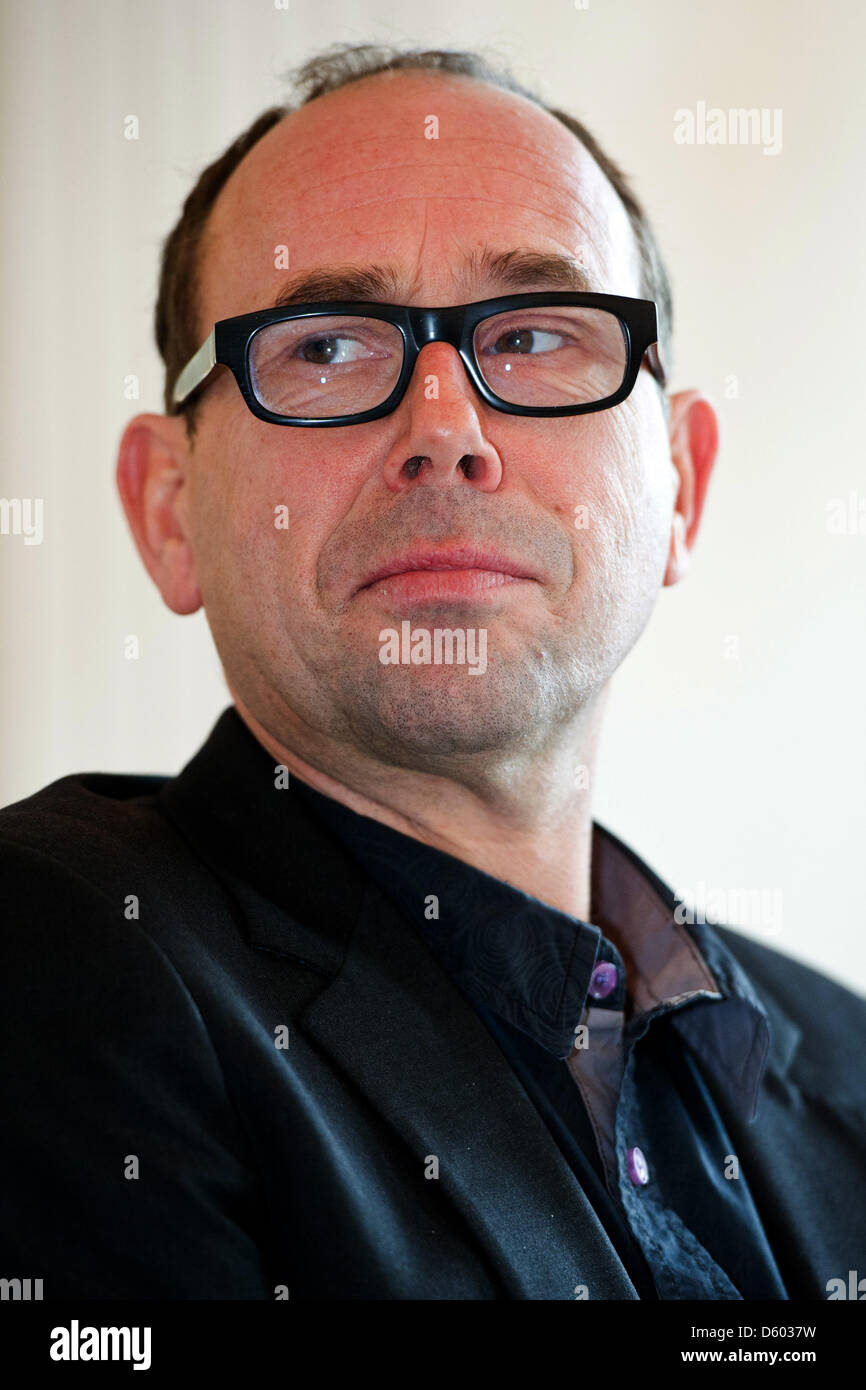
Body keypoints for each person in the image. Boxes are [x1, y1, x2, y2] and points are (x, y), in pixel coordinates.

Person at [1, 42, 864, 1302]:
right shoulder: (59, 957)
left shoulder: (843, 1055)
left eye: (531, 333)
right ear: (169, 509)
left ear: (677, 487)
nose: (445, 432)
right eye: (326, 349)